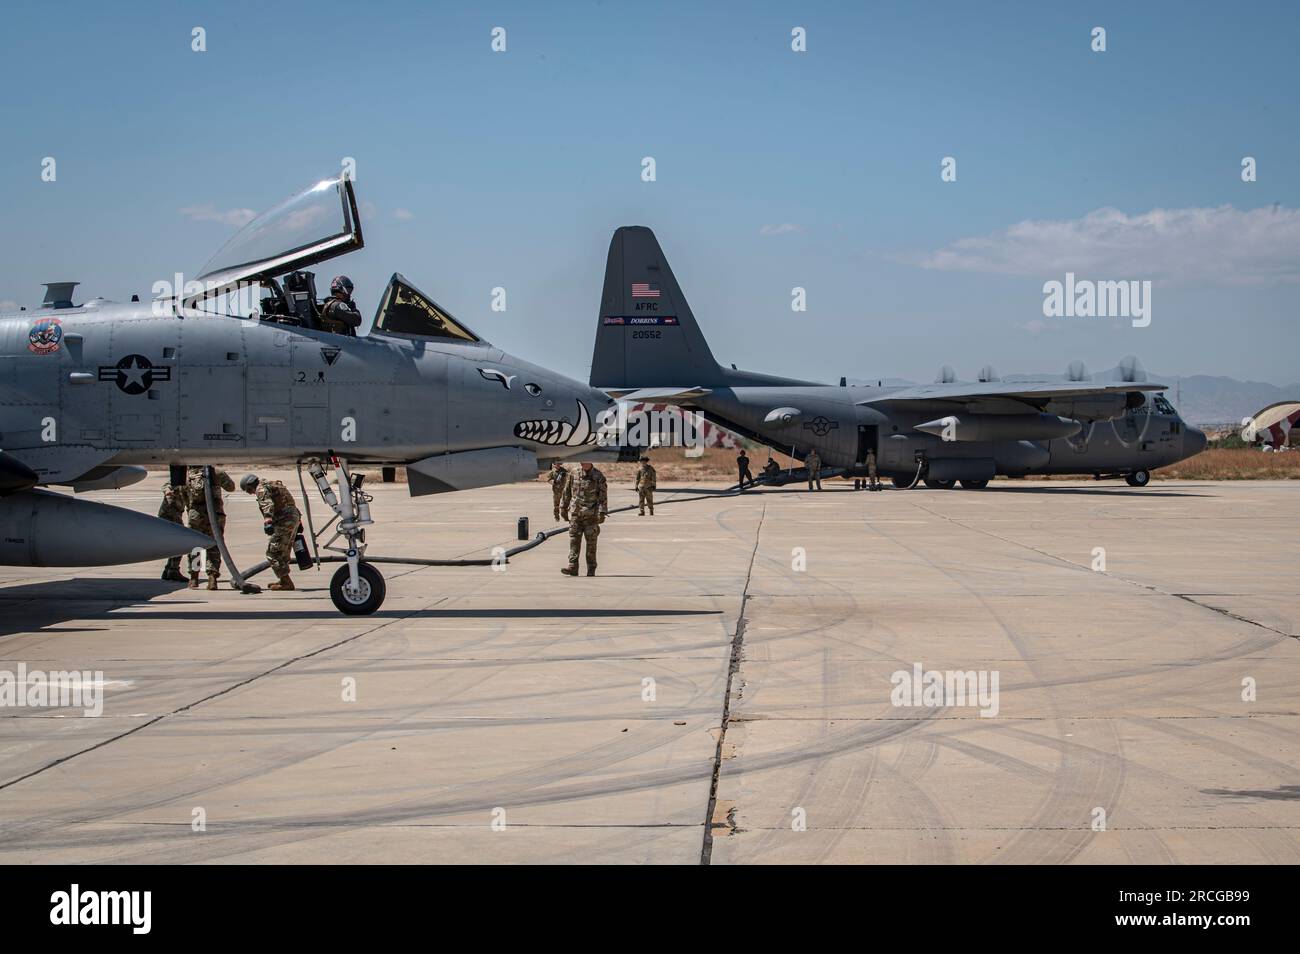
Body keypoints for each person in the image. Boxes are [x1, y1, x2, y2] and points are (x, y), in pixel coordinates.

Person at [241, 474, 302, 591]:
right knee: (284, 552)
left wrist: (267, 521)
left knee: (273, 553)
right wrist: (299, 522)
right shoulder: (274, 485)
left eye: (248, 490)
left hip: (284, 521)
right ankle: (283, 579)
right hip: (293, 518)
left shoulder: (261, 488)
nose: (251, 493)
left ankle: (286, 582)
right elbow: (290, 502)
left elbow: (267, 504)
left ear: (250, 484)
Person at [186, 466, 236, 589]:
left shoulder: (187, 474)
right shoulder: (217, 472)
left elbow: (182, 493)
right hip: (215, 513)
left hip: (196, 515)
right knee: (214, 544)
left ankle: (194, 578)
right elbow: (231, 487)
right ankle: (212, 578)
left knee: (195, 546)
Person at [560, 461, 608, 576]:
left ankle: (591, 568)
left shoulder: (598, 476)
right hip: (576, 514)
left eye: (585, 461)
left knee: (591, 543)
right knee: (574, 540)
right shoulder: (574, 473)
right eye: (581, 461)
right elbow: (567, 492)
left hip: (591, 515)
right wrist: (563, 507)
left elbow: (603, 496)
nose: (583, 463)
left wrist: (602, 512)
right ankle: (572, 566)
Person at [158, 475, 189, 581]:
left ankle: (168, 570)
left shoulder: (187, 479)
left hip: (173, 514)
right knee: (181, 541)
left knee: (175, 542)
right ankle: (173, 570)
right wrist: (167, 491)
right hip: (170, 514)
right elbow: (165, 486)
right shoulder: (182, 478)